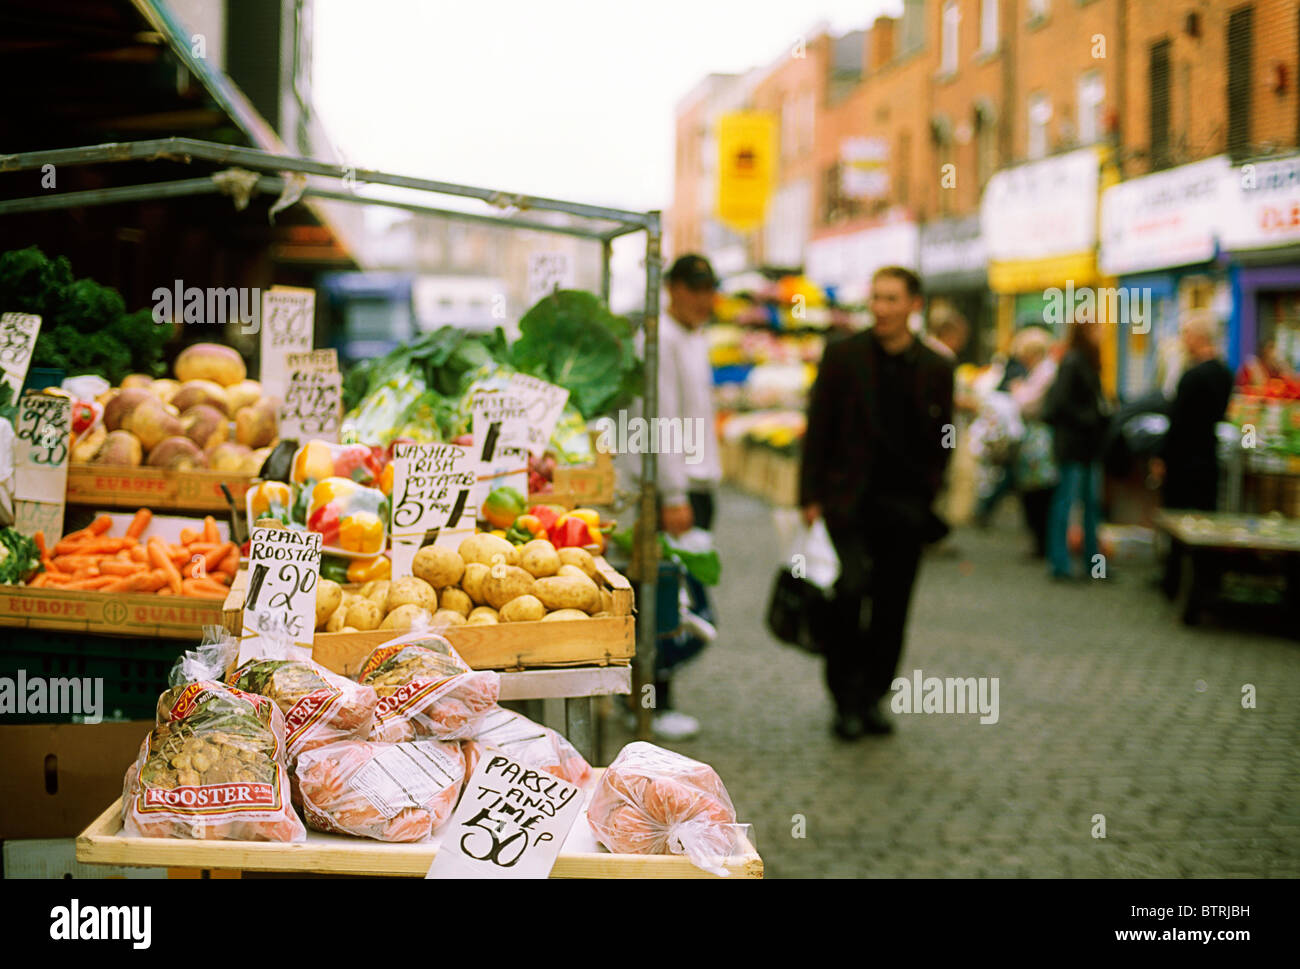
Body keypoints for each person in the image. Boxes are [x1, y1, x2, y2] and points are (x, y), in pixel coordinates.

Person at [800, 266, 955, 740]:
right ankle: (844, 699)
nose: (881, 308)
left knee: (892, 609)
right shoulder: (843, 356)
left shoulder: (936, 366)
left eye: (892, 299)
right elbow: (819, 425)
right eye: (876, 298)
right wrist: (809, 496)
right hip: (848, 502)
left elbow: (944, 436)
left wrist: (929, 491)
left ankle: (872, 698)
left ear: (914, 305)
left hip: (905, 509)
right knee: (848, 594)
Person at [647, 253, 723, 741]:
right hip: (678, 493)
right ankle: (656, 699)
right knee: (677, 605)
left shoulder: (695, 338)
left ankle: (653, 694)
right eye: (693, 289)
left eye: (708, 289)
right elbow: (663, 420)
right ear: (672, 288)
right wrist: (673, 492)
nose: (702, 298)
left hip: (697, 485)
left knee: (676, 599)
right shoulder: (662, 340)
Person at [1150, 314, 1234, 596]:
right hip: (1207, 455)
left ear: (1198, 337)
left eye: (1185, 334)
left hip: (1184, 458)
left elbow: (1178, 423)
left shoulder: (1192, 376)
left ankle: (1174, 581)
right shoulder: (1224, 373)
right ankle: (1205, 582)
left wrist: (1161, 457)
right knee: (1205, 521)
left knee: (1177, 521)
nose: (1182, 341)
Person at [1043, 318, 1109, 581]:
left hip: (1084, 446)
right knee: (1070, 505)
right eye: (1097, 328)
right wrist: (1092, 417)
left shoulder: (1082, 361)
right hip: (1075, 446)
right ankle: (1063, 564)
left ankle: (1086, 564)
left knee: (1085, 505)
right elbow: (1060, 404)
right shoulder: (1074, 362)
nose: (1102, 333)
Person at [1006, 326, 1059, 559]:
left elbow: (1027, 403)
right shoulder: (1042, 370)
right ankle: (1041, 542)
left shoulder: (1045, 371)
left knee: (1037, 492)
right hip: (1038, 435)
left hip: (1040, 438)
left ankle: (1042, 544)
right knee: (1037, 491)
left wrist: (1017, 390)